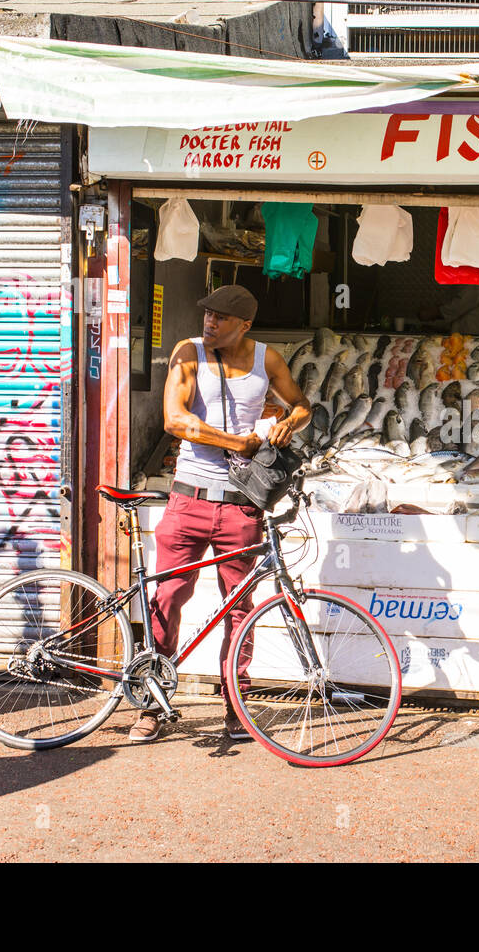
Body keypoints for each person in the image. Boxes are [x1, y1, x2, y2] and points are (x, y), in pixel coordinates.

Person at [130, 285, 311, 742]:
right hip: (188, 498)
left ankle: (236, 704)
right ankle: (152, 699)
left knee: (239, 608)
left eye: (220, 318)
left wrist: (290, 421)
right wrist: (237, 443)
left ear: (244, 325)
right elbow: (174, 420)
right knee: (167, 598)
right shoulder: (186, 353)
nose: (209, 323)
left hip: (241, 505)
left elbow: (303, 404)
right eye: (207, 314)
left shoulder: (266, 360)